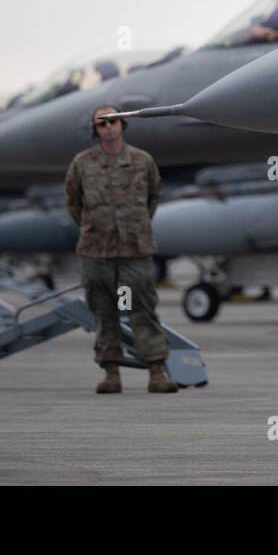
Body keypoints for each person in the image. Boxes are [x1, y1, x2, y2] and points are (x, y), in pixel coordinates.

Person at [65, 105, 177, 394]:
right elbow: (74, 202)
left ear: (122, 125)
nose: (109, 127)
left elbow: (154, 196)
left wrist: (134, 225)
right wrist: (94, 226)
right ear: (95, 129)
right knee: (103, 310)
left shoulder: (142, 161)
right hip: (95, 250)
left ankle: (156, 371)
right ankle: (111, 372)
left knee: (143, 307)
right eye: (102, 123)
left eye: (113, 121)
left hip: (134, 249)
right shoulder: (82, 163)